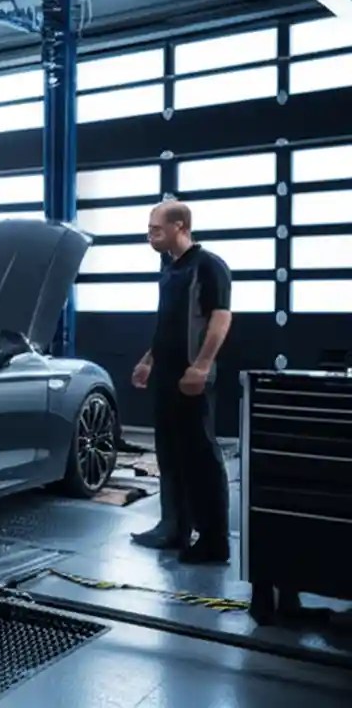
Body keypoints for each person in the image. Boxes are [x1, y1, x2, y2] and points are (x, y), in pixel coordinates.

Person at [130, 200, 233, 564]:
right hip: (166, 376)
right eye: (148, 230)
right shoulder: (169, 267)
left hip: (192, 375)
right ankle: (173, 528)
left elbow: (220, 318)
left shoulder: (208, 266)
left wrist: (202, 366)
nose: (150, 236)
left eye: (156, 229)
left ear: (179, 227)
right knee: (170, 455)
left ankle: (214, 541)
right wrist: (149, 360)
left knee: (200, 457)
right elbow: (168, 323)